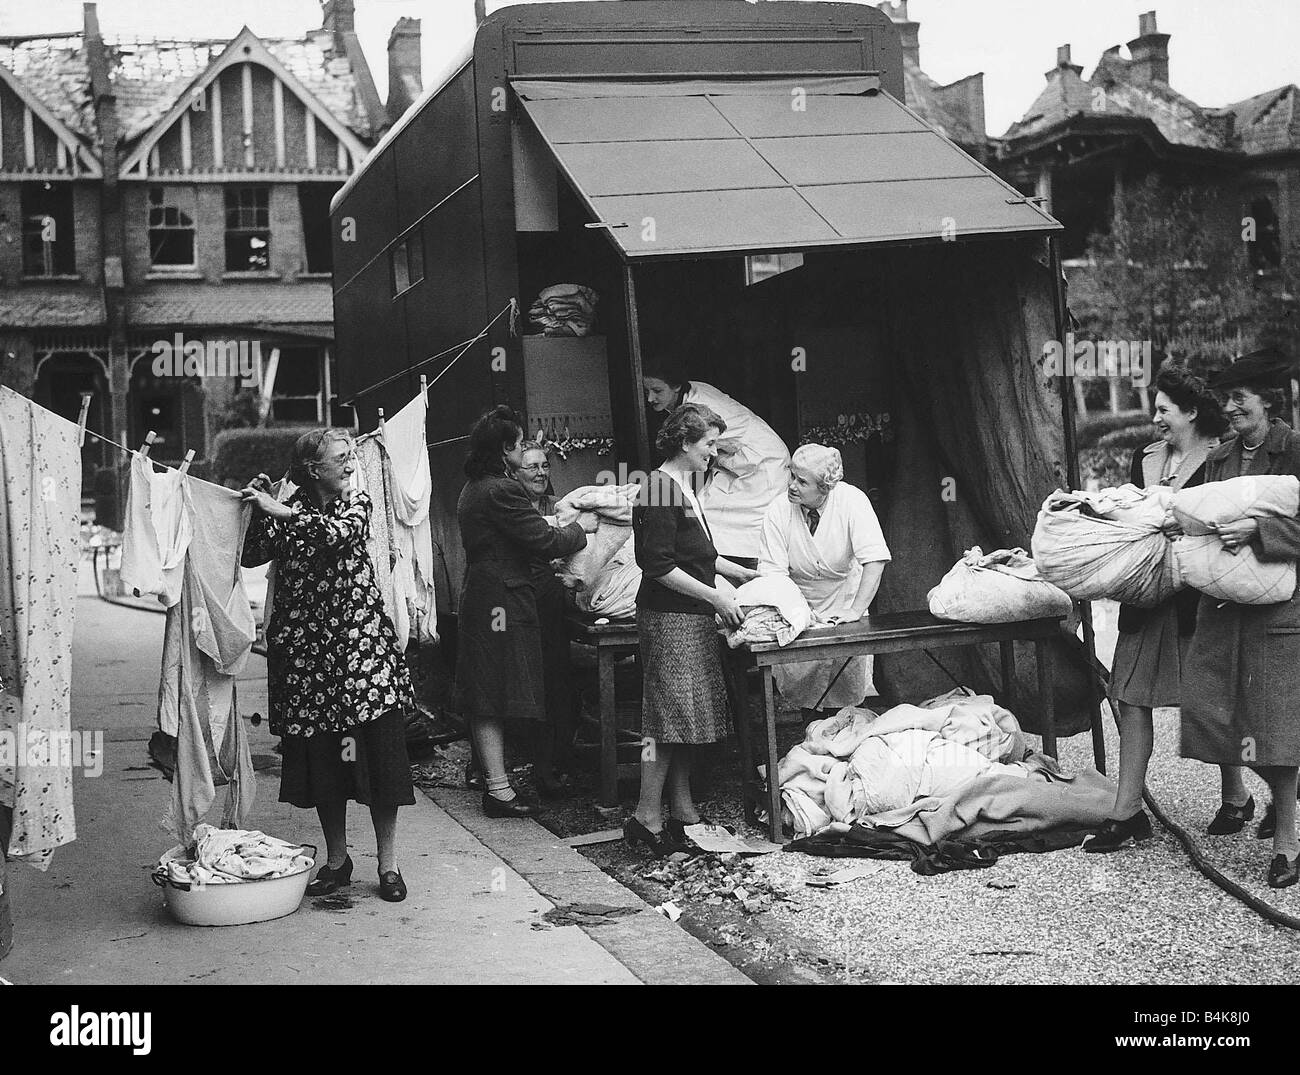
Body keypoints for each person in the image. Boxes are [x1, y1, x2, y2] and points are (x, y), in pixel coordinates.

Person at [240, 430, 414, 903]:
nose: (351, 465)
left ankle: (389, 865)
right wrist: (260, 507)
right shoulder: (290, 504)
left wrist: (283, 512)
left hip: (362, 660)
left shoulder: (356, 504)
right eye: (341, 459)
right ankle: (338, 861)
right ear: (313, 469)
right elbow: (253, 555)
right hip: (307, 660)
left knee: (378, 762)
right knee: (323, 764)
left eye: (350, 456)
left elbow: (335, 536)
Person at [1085, 367, 1227, 853]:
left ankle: (1236, 797)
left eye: (1165, 409)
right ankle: (1127, 812)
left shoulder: (1220, 458)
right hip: (1147, 596)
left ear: (1191, 412)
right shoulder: (1143, 459)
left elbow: (1227, 522)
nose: (1155, 417)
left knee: (1211, 696)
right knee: (1131, 694)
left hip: (1199, 595)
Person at [1180, 348, 1300, 888]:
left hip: (1280, 610)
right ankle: (1278, 795)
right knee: (1212, 712)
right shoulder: (1221, 457)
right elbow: (1195, 516)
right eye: (1225, 398)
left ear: (1270, 402)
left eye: (1238, 398)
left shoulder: (1294, 450)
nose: (1228, 408)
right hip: (1223, 610)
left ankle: (1288, 843)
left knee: (1273, 725)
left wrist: (1260, 531)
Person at [626, 403, 755, 856]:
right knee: (663, 719)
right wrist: (716, 596)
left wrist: (737, 574)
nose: (714, 453)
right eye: (708, 444)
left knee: (683, 718)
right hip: (668, 618)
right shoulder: (657, 489)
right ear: (684, 443)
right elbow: (657, 565)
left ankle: (681, 809)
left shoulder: (682, 486)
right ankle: (645, 816)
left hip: (690, 616)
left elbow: (695, 554)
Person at [455, 406, 592, 818]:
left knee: (486, 693)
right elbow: (545, 541)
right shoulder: (502, 490)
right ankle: (498, 790)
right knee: (496, 693)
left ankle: (498, 786)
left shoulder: (473, 487)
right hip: (503, 597)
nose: (522, 453)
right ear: (504, 451)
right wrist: (580, 532)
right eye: (518, 446)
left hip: (482, 592)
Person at [757, 443, 891, 719]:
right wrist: (797, 613)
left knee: (847, 698)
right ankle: (813, 750)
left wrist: (854, 611)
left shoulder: (852, 501)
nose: (792, 485)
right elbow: (773, 574)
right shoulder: (778, 510)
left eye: (802, 481)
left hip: (845, 601)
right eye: (791, 475)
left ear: (825, 487)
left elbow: (874, 560)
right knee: (809, 698)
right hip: (798, 606)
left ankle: (848, 749)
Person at [643, 357, 791, 566]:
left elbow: (686, 455)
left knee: (740, 524)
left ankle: (751, 573)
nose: (650, 398)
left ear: (676, 386)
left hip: (762, 463)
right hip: (733, 461)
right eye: (647, 391)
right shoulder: (687, 393)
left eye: (657, 391)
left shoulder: (699, 406)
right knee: (704, 513)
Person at [515, 443, 577, 797]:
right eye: (532, 467)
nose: (540, 473)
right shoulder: (516, 509)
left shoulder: (559, 507)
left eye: (545, 465)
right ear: (516, 473)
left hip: (557, 604)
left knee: (560, 681)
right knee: (537, 683)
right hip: (529, 604)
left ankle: (562, 761)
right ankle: (541, 767)